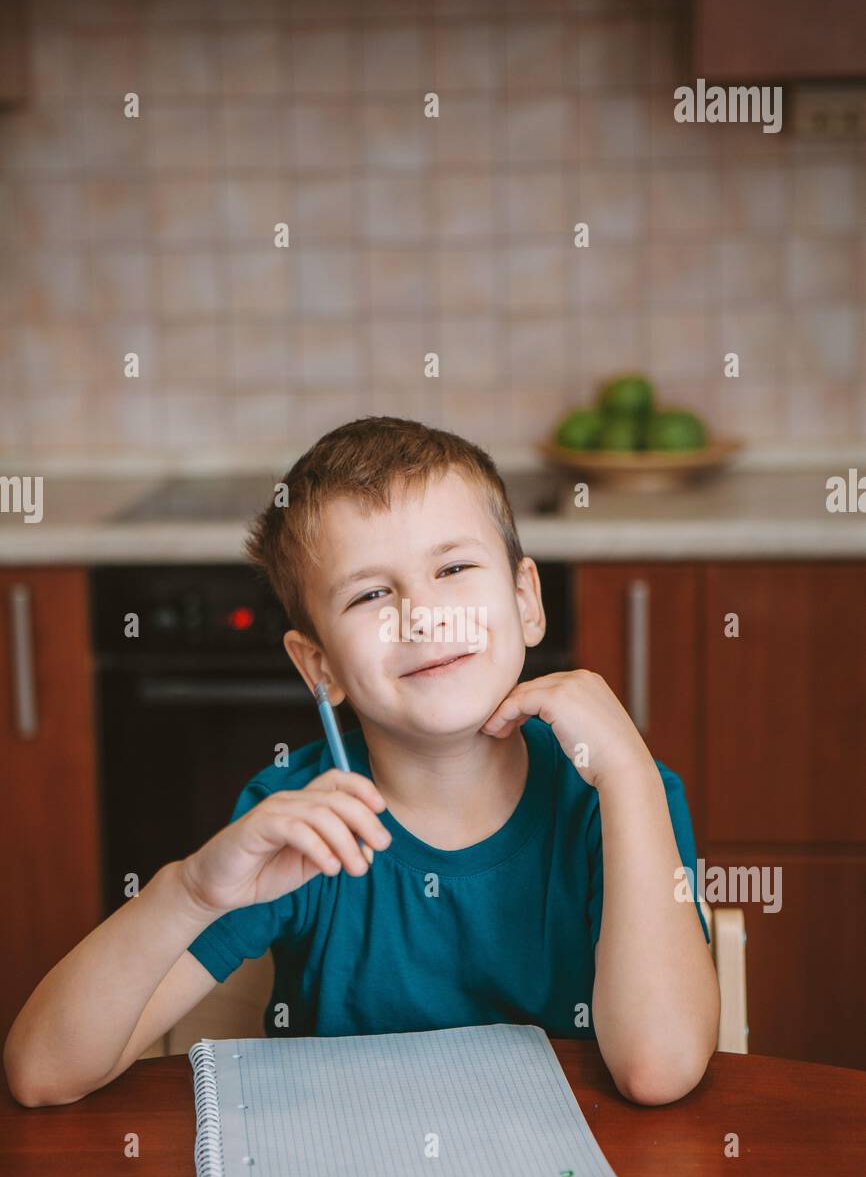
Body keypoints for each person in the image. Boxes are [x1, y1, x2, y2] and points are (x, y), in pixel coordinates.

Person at [4, 416, 719, 1109]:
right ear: (319, 666)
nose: (422, 615)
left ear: (526, 600)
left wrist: (629, 772)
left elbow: (657, 1069)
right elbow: (42, 1073)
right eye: (373, 593)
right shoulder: (299, 824)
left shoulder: (618, 796)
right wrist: (190, 893)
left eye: (454, 567)